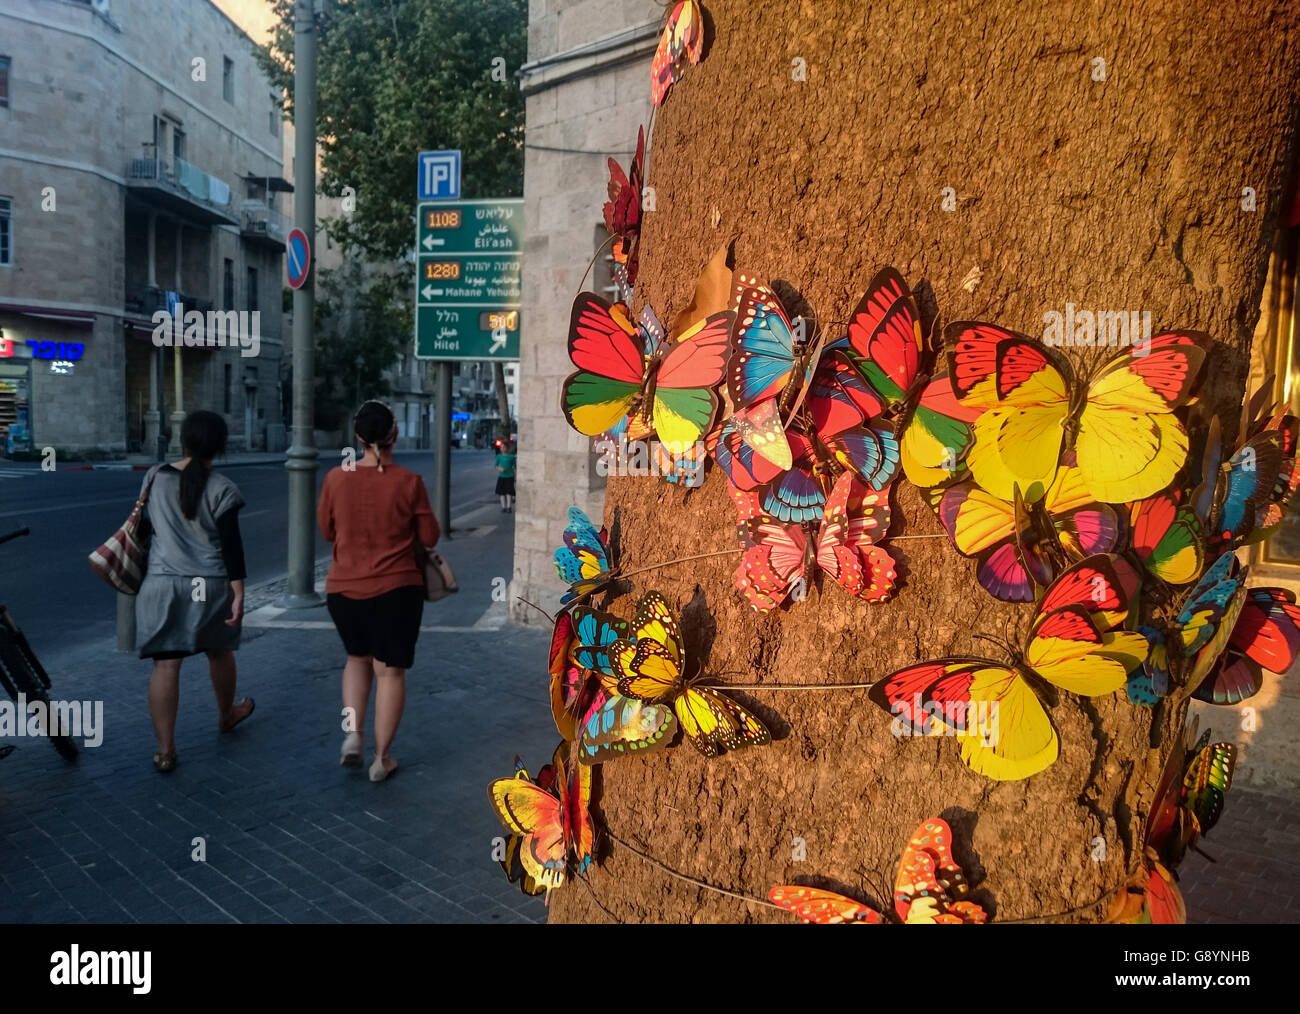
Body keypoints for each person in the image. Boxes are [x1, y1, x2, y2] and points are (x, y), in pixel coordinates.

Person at [317, 400, 439, 782]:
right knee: (389, 673)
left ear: (357, 436)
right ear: (394, 435)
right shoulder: (408, 482)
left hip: (344, 589)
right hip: (396, 590)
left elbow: (327, 531)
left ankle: (352, 736)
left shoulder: (337, 478)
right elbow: (430, 536)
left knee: (356, 660)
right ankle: (381, 759)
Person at [136, 410, 254, 772]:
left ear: (183, 440)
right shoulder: (223, 488)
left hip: (162, 585)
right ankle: (226, 715)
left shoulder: (154, 478)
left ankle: (166, 750)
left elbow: (141, 532)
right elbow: (232, 548)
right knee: (219, 653)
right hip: (209, 587)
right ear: (219, 447)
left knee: (166, 665)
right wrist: (239, 593)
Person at [495, 438, 517, 513]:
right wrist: (500, 468)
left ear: (507, 448)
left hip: (509, 476)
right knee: (502, 493)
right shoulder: (499, 456)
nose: (502, 448)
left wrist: (515, 476)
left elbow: (515, 467)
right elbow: (496, 465)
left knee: (509, 493)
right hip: (501, 477)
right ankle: (503, 507)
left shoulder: (511, 457)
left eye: (504, 447)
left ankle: (509, 507)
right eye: (501, 447)